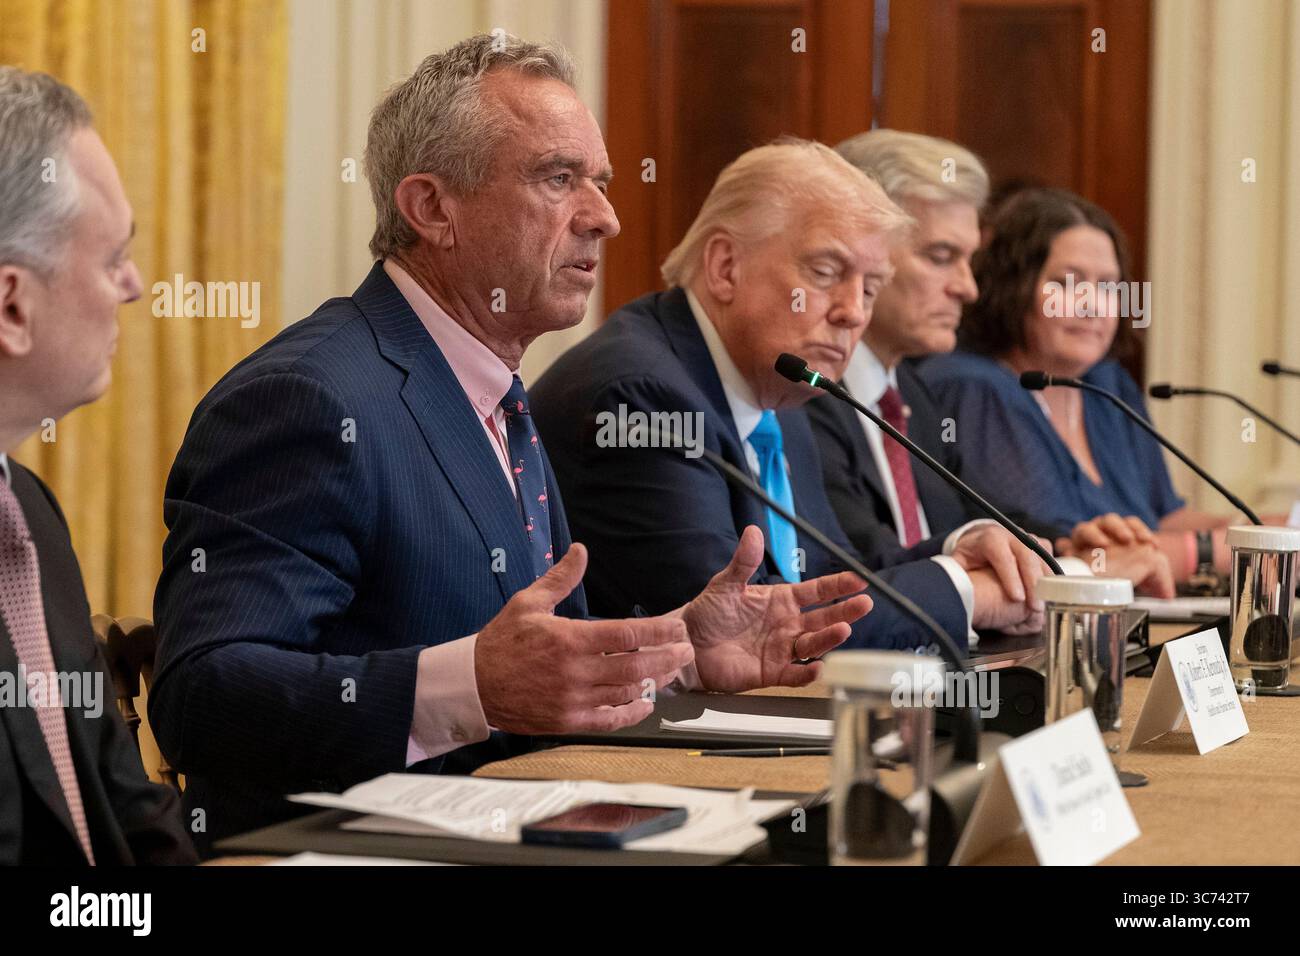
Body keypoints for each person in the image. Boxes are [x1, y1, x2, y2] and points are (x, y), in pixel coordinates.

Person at [150, 36, 869, 854]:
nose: (606, 214)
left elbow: (543, 673)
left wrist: (677, 653)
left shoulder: (496, 391)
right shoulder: (309, 399)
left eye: (597, 181)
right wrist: (469, 687)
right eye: (558, 179)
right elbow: (199, 698)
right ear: (432, 208)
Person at [531, 139, 1048, 654]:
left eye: (869, 288)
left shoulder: (780, 390)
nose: (852, 313)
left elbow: (830, 577)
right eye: (825, 274)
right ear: (725, 267)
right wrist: (962, 590)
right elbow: (744, 631)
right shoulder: (642, 398)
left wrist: (961, 552)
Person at [808, 131, 1173, 597]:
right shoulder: (809, 392)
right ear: (859, 253)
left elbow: (971, 516)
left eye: (970, 260)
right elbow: (865, 578)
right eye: (941, 257)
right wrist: (1079, 576)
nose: (969, 288)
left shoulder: (907, 393)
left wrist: (1061, 544)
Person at [0, 67, 195, 864]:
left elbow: (127, 802)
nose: (135, 287)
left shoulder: (28, 510)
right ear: (12, 306)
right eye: (113, 257)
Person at [920, 186, 1227, 582]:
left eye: (1107, 286)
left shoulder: (1107, 384)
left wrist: (1258, 527)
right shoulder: (974, 388)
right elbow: (1081, 556)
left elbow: (1167, 517)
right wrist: (1235, 548)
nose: (1092, 303)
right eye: (1067, 283)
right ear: (1014, 287)